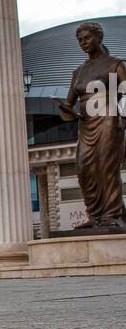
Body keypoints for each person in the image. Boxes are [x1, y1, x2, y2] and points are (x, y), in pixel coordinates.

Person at [58, 20, 126, 230]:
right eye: (80, 40)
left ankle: (113, 215)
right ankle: (95, 215)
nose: (83, 43)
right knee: (84, 168)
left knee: (106, 166)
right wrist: (67, 110)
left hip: (109, 118)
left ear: (99, 37)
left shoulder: (115, 64)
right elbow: (69, 104)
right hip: (86, 123)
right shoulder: (78, 72)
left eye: (87, 38)